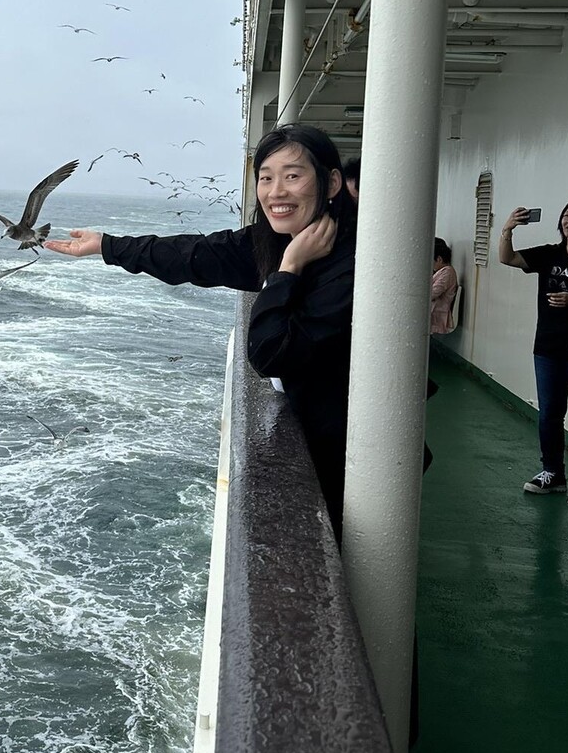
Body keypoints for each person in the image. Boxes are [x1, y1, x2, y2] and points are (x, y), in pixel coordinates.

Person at [45, 123, 357, 537]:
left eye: (293, 175)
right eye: (266, 177)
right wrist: (107, 246)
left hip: (353, 461)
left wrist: (288, 270)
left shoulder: (347, 260)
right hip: (319, 437)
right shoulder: (285, 239)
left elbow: (270, 353)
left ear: (331, 181)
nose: (275, 191)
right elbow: (197, 255)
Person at [498, 198, 568, 506]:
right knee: (550, 414)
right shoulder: (550, 254)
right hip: (548, 347)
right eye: (566, 215)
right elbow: (507, 258)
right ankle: (553, 473)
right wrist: (508, 229)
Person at [430, 238, 458, 335]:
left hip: (436, 316)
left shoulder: (447, 272)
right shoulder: (442, 272)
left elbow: (433, 293)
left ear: (439, 259)